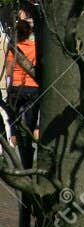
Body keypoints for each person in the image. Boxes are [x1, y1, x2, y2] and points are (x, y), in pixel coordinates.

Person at [4, 14, 41, 153]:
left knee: (14, 117)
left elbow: (9, 69)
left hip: (17, 86)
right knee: (31, 120)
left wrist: (9, 84)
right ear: (29, 32)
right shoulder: (35, 47)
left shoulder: (14, 47)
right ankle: (29, 143)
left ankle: (14, 137)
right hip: (33, 87)